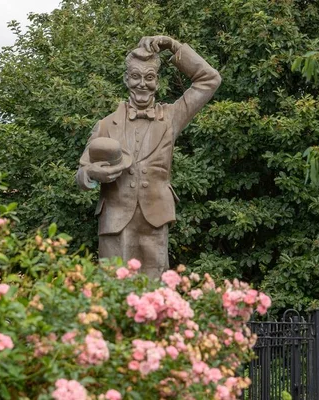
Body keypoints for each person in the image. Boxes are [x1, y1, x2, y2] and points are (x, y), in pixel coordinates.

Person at [76, 35, 221, 278]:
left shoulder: (171, 117)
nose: (142, 84)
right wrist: (91, 174)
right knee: (114, 289)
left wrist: (174, 47)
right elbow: (81, 175)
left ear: (157, 81)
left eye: (149, 77)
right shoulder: (105, 125)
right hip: (115, 221)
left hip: (155, 218)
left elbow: (210, 79)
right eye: (135, 77)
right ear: (126, 79)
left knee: (155, 293)